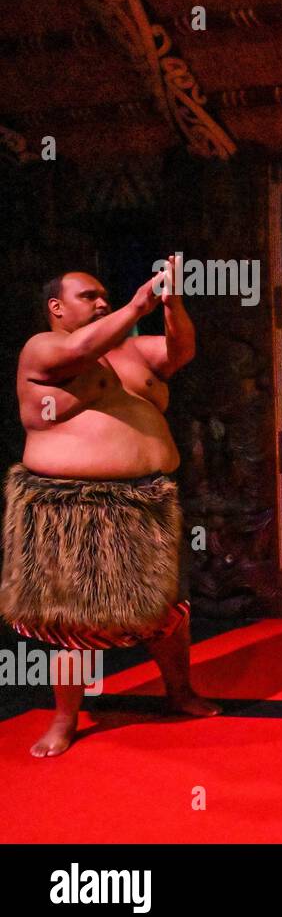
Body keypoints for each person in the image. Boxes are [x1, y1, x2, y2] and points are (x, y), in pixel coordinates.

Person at [2, 256, 220, 758]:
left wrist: (171, 303)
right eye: (89, 296)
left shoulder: (130, 352)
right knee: (72, 620)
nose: (101, 302)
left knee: (168, 609)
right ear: (56, 307)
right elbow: (80, 347)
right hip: (72, 506)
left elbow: (179, 351)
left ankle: (179, 691)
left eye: (106, 295)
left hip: (147, 500)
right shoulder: (44, 348)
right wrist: (135, 303)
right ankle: (64, 718)